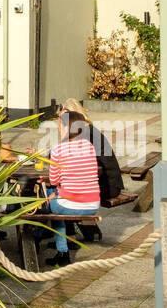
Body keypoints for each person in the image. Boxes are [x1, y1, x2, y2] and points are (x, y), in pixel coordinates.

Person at [42, 109, 100, 267]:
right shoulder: (89, 147)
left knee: (44, 197)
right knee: (54, 198)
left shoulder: (58, 149)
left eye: (61, 125)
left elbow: (53, 180)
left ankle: (56, 247)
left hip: (70, 205)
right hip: (93, 205)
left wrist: (58, 191)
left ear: (67, 127)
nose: (59, 128)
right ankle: (52, 243)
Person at [60, 98, 125, 207]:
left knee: (59, 190)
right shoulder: (86, 130)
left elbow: (70, 157)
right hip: (109, 182)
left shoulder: (85, 133)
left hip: (108, 186)